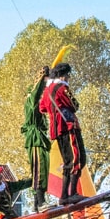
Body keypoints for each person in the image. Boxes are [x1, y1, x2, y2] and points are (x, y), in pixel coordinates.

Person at [39, 62, 87, 201]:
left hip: (56, 130)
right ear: (62, 75)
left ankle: (64, 195)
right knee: (77, 159)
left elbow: (42, 108)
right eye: (67, 75)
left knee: (67, 161)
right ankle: (71, 193)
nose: (68, 78)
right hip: (68, 126)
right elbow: (74, 105)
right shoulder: (61, 88)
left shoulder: (47, 92)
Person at [22, 65, 53, 209]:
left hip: (41, 137)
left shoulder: (37, 103)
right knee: (38, 168)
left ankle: (37, 202)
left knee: (44, 169)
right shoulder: (31, 101)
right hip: (35, 137)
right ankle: (40, 201)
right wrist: (43, 77)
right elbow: (37, 91)